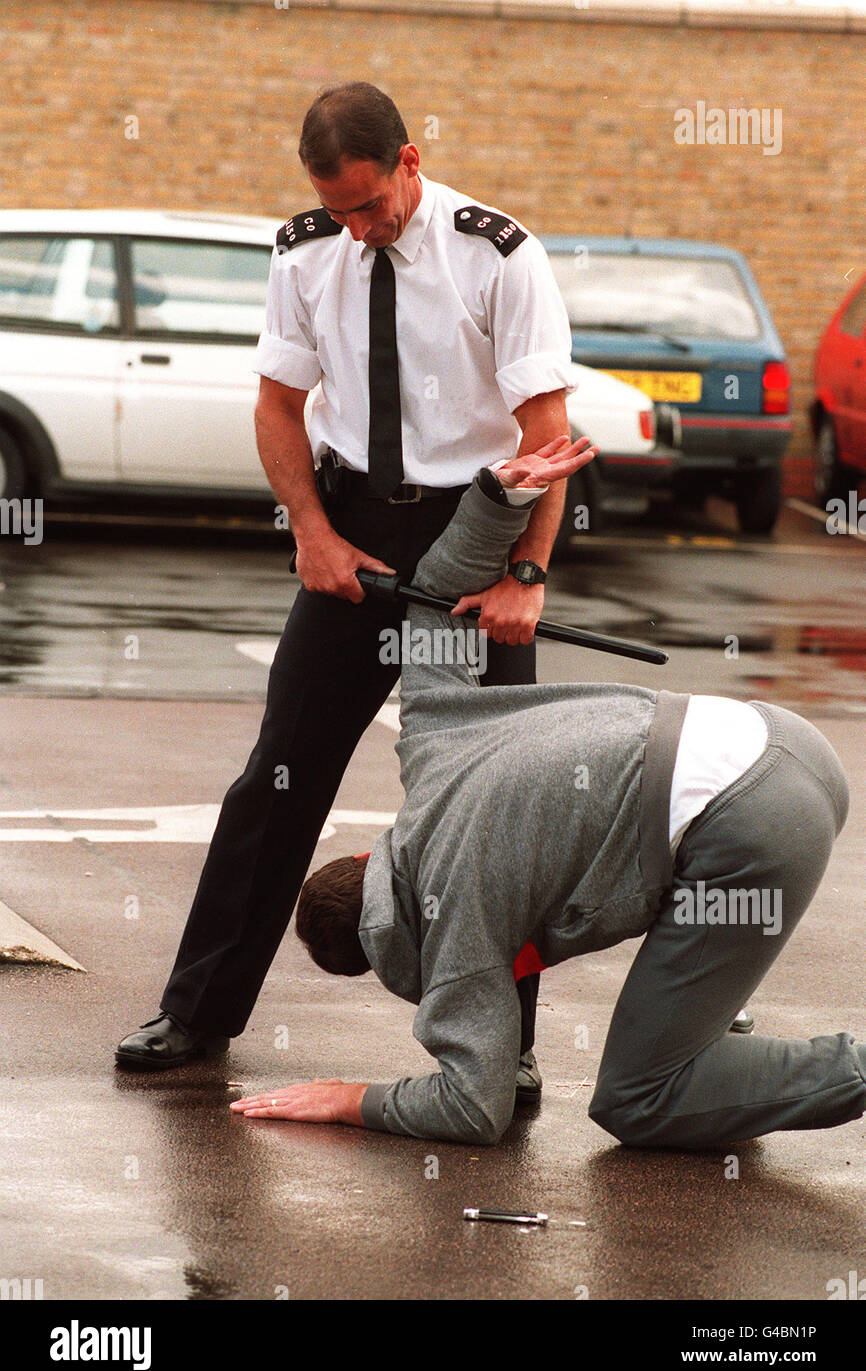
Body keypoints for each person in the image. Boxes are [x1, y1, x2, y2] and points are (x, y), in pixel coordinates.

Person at [116, 81, 579, 1096]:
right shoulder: (301, 251)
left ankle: (506, 1036)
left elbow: (546, 433)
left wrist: (526, 576)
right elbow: (279, 405)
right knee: (276, 778)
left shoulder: (498, 254)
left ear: (410, 161)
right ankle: (196, 1013)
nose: (357, 228)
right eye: (339, 210)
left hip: (475, 527)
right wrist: (312, 534)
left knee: (490, 805)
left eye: (370, 204)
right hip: (353, 529)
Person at [229, 435, 864, 1148]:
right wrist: (501, 498)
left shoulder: (453, 935)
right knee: (642, 879)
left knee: (637, 1100)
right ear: (361, 861)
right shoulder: (432, 749)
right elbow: (434, 604)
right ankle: (713, 1035)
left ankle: (791, 1064)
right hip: (787, 744)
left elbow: (474, 1108)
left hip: (754, 821)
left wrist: (352, 1099)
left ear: (387, 960)